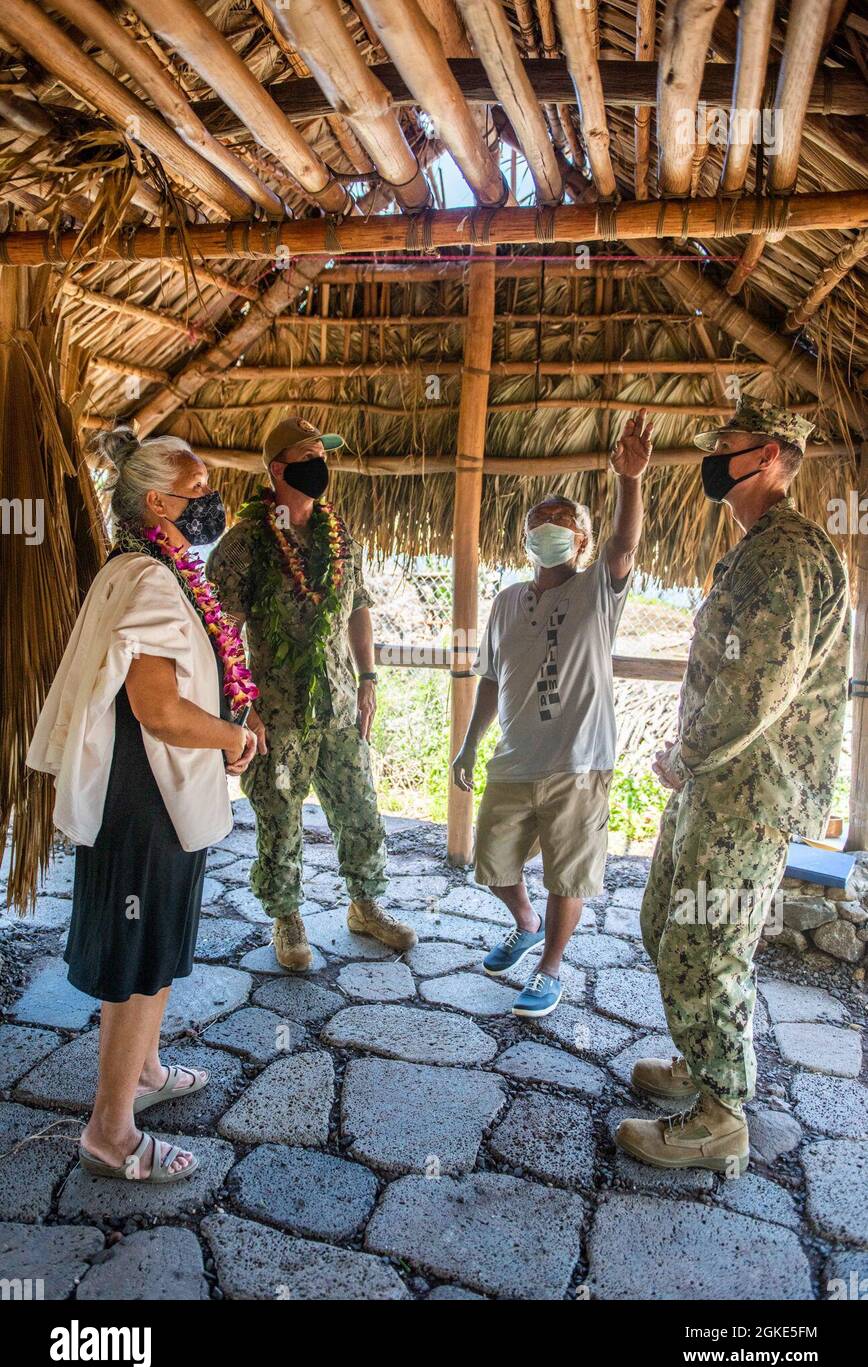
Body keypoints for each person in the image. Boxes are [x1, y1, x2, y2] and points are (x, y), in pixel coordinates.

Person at [615, 396, 851, 1176]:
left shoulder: (786, 554)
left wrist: (686, 755)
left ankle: (720, 1117)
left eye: (733, 444)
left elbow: (757, 688)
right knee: (667, 925)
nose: (718, 456)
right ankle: (698, 1063)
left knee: (709, 944)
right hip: (719, 788)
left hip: (750, 794)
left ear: (775, 459)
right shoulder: (755, 550)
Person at [27, 427, 257, 1184]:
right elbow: (158, 710)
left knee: (154, 946)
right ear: (157, 502)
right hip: (143, 799)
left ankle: (147, 1072)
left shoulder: (141, 570)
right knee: (137, 960)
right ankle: (110, 1131)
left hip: (150, 795)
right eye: (198, 493)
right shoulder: (153, 582)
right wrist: (232, 735)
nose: (211, 504)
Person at [452, 411, 654, 1018]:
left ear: (583, 541)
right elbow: (490, 678)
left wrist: (630, 480)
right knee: (491, 861)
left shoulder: (597, 589)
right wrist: (469, 746)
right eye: (539, 524)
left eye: (563, 525)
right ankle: (525, 923)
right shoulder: (507, 601)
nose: (550, 531)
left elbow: (625, 544)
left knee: (568, 875)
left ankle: (550, 967)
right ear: (524, 537)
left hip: (579, 761)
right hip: (514, 758)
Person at [206, 417, 416, 971]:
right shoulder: (245, 543)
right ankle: (287, 918)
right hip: (276, 711)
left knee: (359, 808)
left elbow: (360, 605)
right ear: (278, 469)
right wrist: (241, 709)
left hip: (341, 705)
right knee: (279, 817)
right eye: (307, 454)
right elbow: (220, 631)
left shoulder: (337, 532)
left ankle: (365, 905)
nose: (320, 462)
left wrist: (369, 679)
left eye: (323, 452)